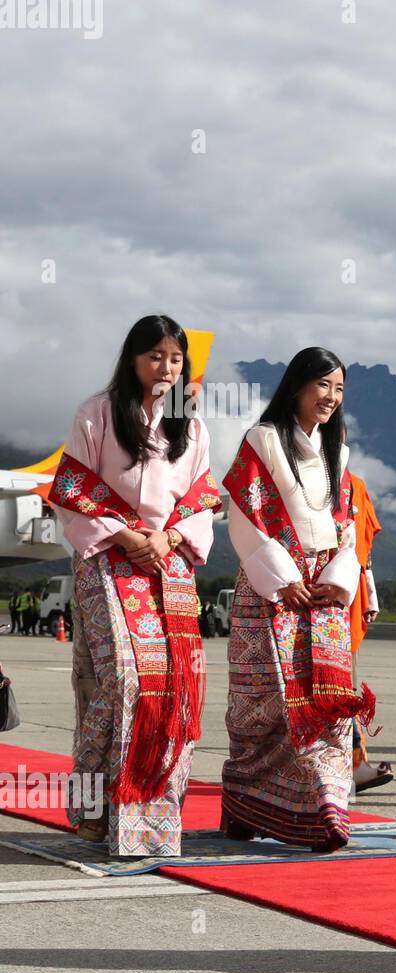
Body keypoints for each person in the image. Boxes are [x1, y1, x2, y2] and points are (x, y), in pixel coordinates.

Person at [49, 315, 221, 856]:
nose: (165, 369)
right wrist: (124, 533)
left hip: (169, 563)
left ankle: (148, 815)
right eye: (155, 357)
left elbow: (201, 496)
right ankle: (94, 805)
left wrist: (167, 540)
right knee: (121, 680)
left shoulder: (190, 426)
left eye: (175, 359)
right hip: (105, 557)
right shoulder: (96, 414)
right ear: (132, 359)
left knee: (173, 689)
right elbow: (71, 488)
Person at [220, 347, 374, 852]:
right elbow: (246, 514)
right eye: (323, 385)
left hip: (322, 591)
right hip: (275, 591)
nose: (331, 398)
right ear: (297, 386)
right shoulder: (262, 442)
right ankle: (244, 801)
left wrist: (340, 575)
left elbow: (345, 527)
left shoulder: (339, 452)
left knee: (323, 706)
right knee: (266, 704)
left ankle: (325, 809)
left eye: (340, 389)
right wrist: (282, 577)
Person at [347, 473, 392, 794]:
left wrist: (370, 592)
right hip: (292, 592)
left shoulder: (353, 484)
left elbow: (364, 546)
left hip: (340, 596)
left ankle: (355, 762)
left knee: (340, 686)